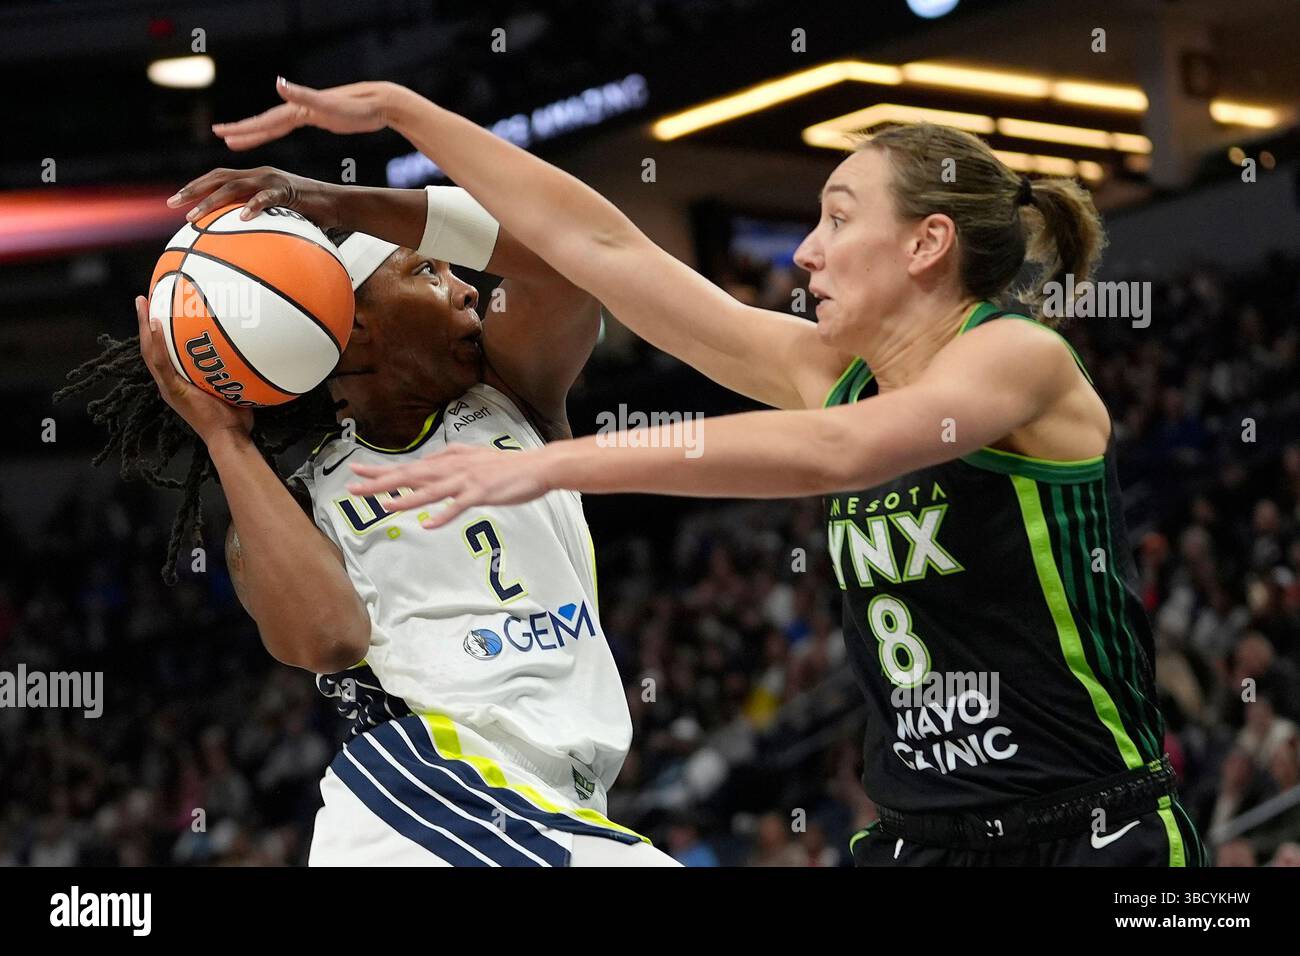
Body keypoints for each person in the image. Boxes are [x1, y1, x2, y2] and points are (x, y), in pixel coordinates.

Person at [209, 77, 1206, 866]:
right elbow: (596, 245)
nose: (806, 250)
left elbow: (838, 451)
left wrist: (557, 461)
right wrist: (397, 122)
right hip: (919, 835)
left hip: (1088, 825)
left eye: (837, 218)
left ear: (926, 242)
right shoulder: (825, 371)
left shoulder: (1016, 356)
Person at [58, 167, 678, 867]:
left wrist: (337, 199)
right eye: (427, 273)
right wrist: (225, 439)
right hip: (432, 801)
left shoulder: (516, 397)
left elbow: (564, 261)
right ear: (345, 333)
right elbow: (327, 639)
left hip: (551, 809)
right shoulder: (299, 500)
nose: (469, 288)